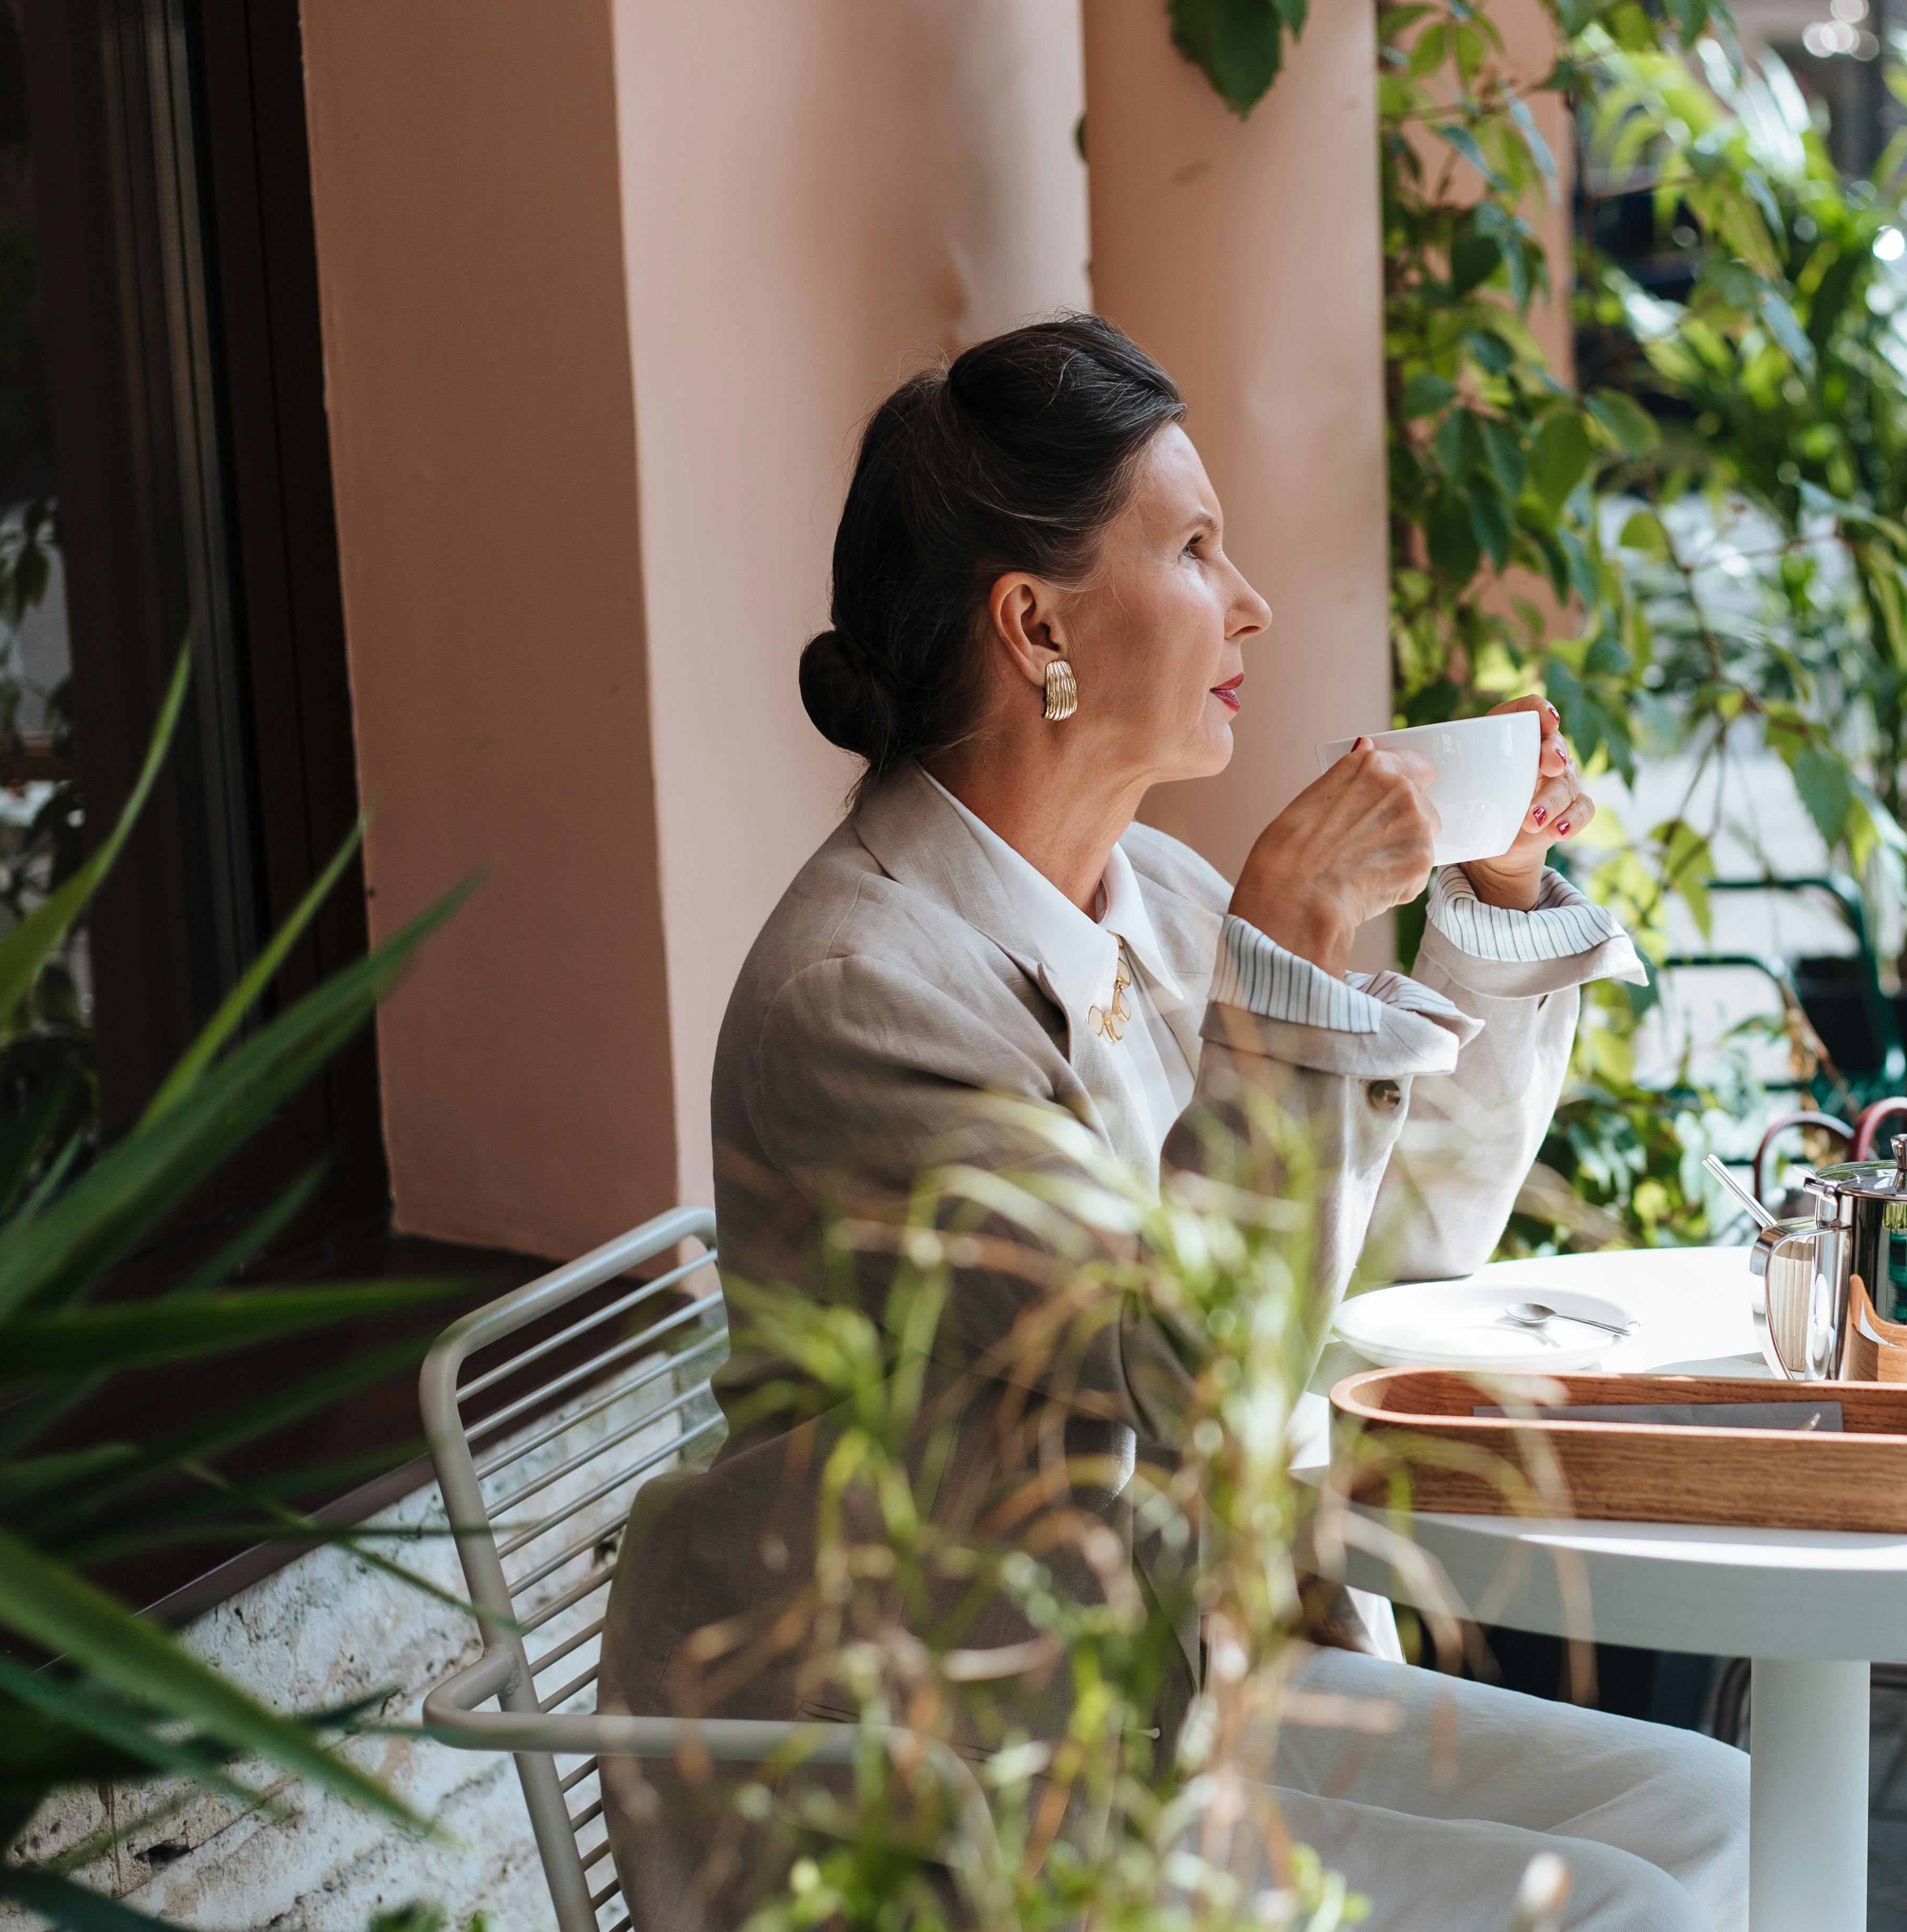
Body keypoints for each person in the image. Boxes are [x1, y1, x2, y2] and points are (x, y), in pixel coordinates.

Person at [597, 315, 1747, 1931]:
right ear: (1034, 623)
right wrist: (1285, 947)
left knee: (1710, 1812)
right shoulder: (858, 998)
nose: (1253, 602)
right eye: (1198, 547)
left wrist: (1483, 917)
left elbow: (1389, 1248)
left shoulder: (1159, 906)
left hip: (1193, 1677)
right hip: (945, 1782)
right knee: (1626, 1909)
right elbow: (1195, 1371)